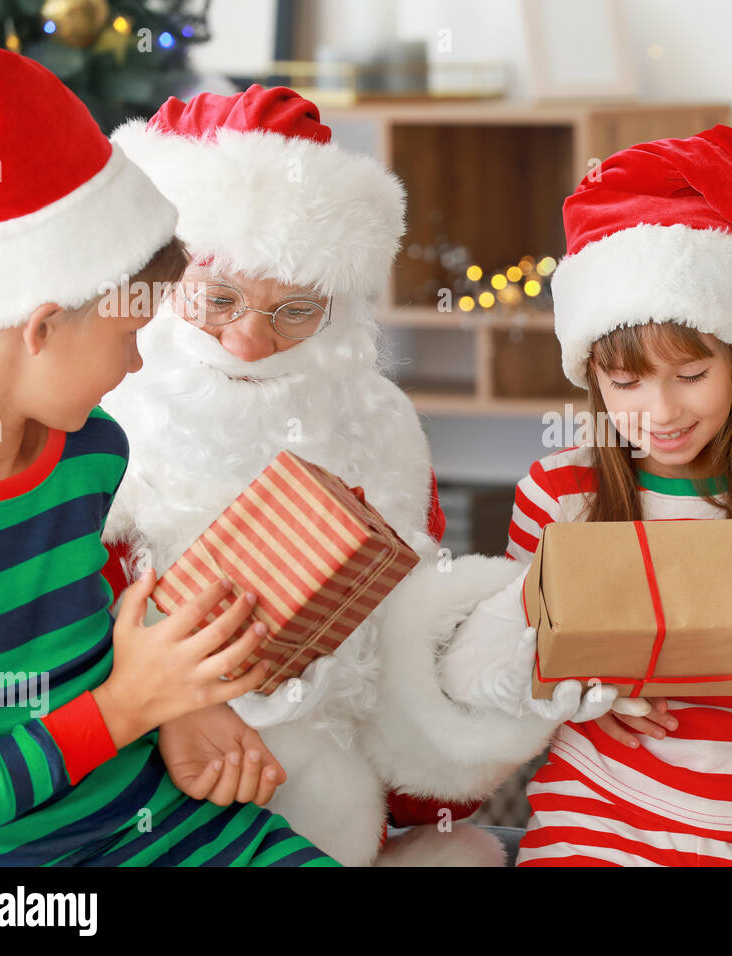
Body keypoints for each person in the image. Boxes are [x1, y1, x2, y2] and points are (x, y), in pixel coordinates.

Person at [101, 84, 614, 865]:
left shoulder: (381, 437)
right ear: (166, 282)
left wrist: (503, 666)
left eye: (294, 311)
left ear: (335, 312)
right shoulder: (89, 433)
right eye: (220, 299)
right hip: (141, 814)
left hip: (330, 817)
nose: (247, 342)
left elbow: (404, 716)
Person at [0, 47, 335, 866]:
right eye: (128, 335)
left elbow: (107, 606)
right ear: (40, 327)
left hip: (176, 826)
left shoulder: (91, 449)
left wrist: (173, 706)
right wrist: (126, 709)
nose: (135, 366)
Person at [503, 125, 732, 865]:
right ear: (592, 376)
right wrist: (595, 696)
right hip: (589, 814)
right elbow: (506, 679)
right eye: (625, 382)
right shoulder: (558, 492)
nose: (660, 413)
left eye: (690, 377)